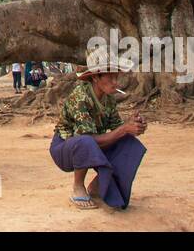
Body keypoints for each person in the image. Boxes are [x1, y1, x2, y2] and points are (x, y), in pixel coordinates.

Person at [49, 45, 146, 211]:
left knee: (130, 143)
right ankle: (78, 187)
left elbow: (118, 129)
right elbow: (88, 138)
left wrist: (133, 125)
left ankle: (98, 186)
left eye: (117, 77)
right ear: (95, 77)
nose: (115, 82)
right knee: (86, 141)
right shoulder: (80, 96)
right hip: (65, 148)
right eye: (110, 77)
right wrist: (123, 129)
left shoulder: (109, 100)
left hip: (92, 144)